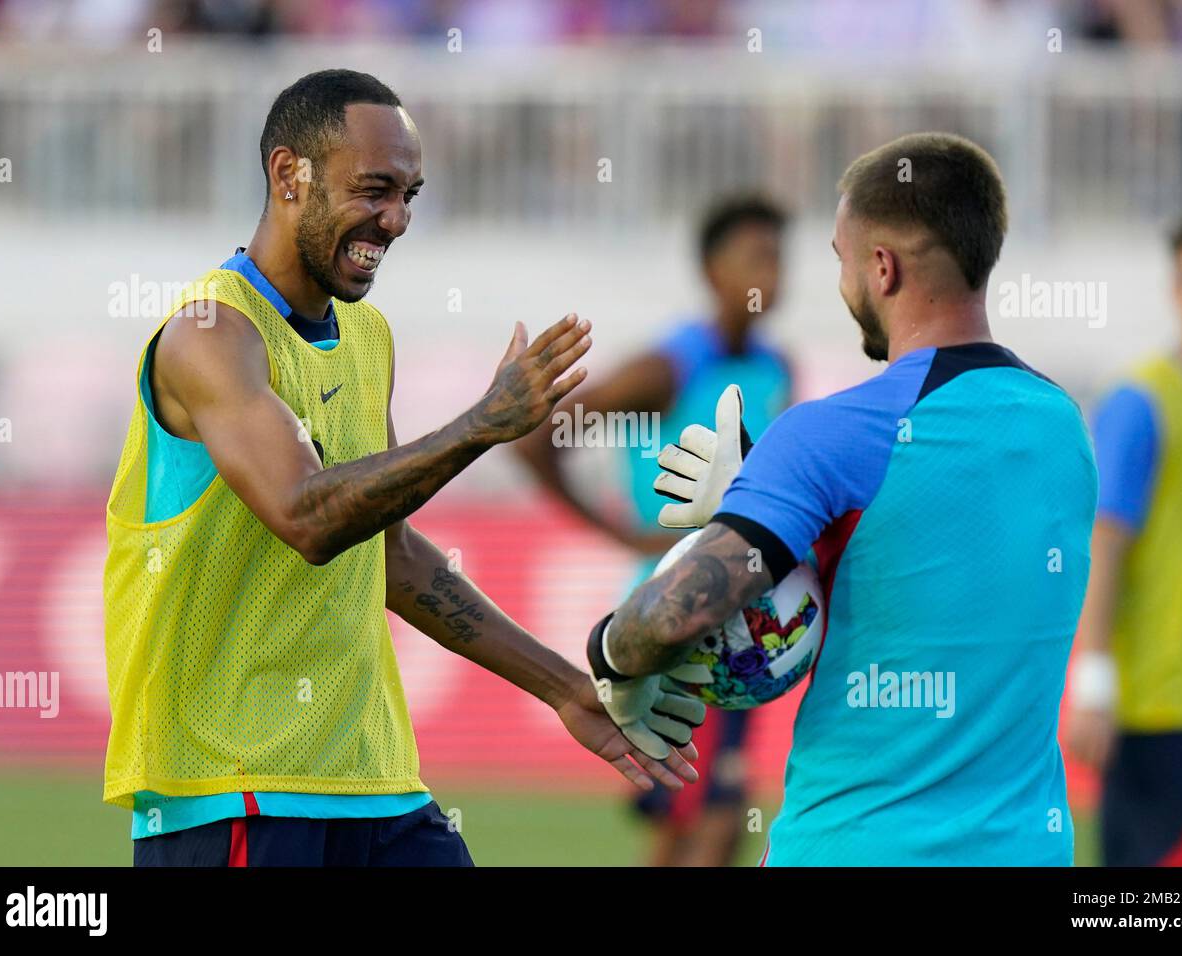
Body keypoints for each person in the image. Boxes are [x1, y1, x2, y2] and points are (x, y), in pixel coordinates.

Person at [101, 69, 700, 867]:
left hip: (374, 784)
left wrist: (566, 687)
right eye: (375, 190)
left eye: (411, 194)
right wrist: (481, 426)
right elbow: (308, 518)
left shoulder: (368, 337)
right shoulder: (210, 334)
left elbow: (389, 554)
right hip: (231, 789)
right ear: (289, 175)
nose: (397, 219)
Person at [588, 132, 1098, 866]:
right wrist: (766, 491)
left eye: (841, 258)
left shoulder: (833, 432)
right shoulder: (1064, 428)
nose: (838, 281)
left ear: (882, 268)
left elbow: (676, 613)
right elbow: (934, 554)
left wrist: (612, 658)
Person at [514, 194, 792, 866]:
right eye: (756, 257)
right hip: (679, 616)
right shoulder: (669, 368)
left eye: (780, 259)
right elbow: (535, 441)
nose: (773, 275)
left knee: (696, 822)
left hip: (741, 613)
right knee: (715, 820)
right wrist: (622, 536)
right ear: (711, 270)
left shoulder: (775, 368)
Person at [1067, 208, 1182, 866]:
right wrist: (1093, 684)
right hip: (1149, 706)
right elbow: (1107, 542)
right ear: (1174, 293)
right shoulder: (1141, 401)